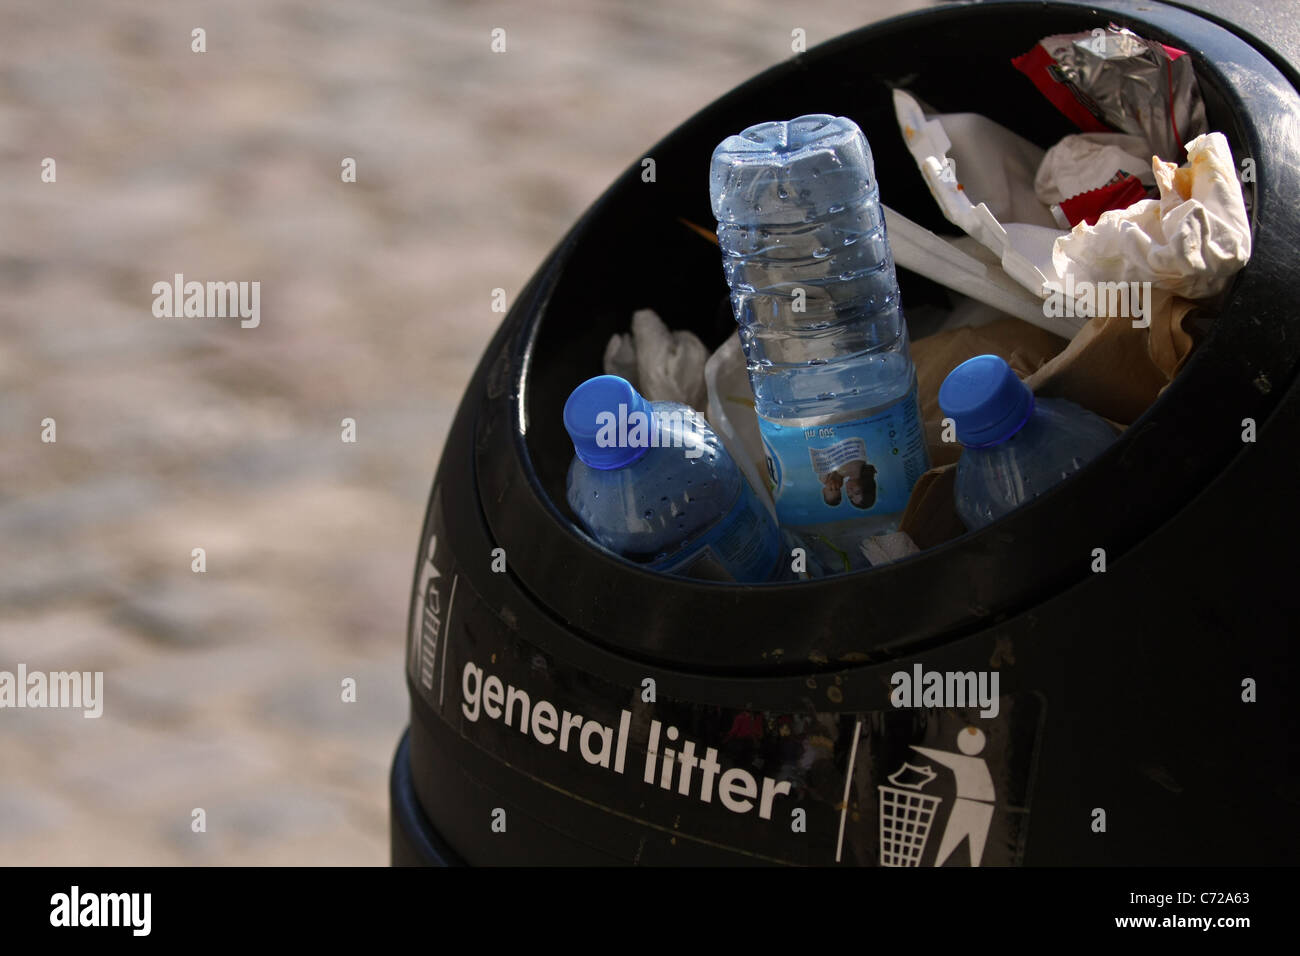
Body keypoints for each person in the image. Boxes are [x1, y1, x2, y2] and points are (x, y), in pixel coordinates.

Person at [911, 727, 995, 867]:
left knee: (957, 846)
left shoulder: (969, 763)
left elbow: (944, 757)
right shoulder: (978, 763)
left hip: (972, 805)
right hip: (980, 805)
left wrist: (917, 748)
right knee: (964, 849)